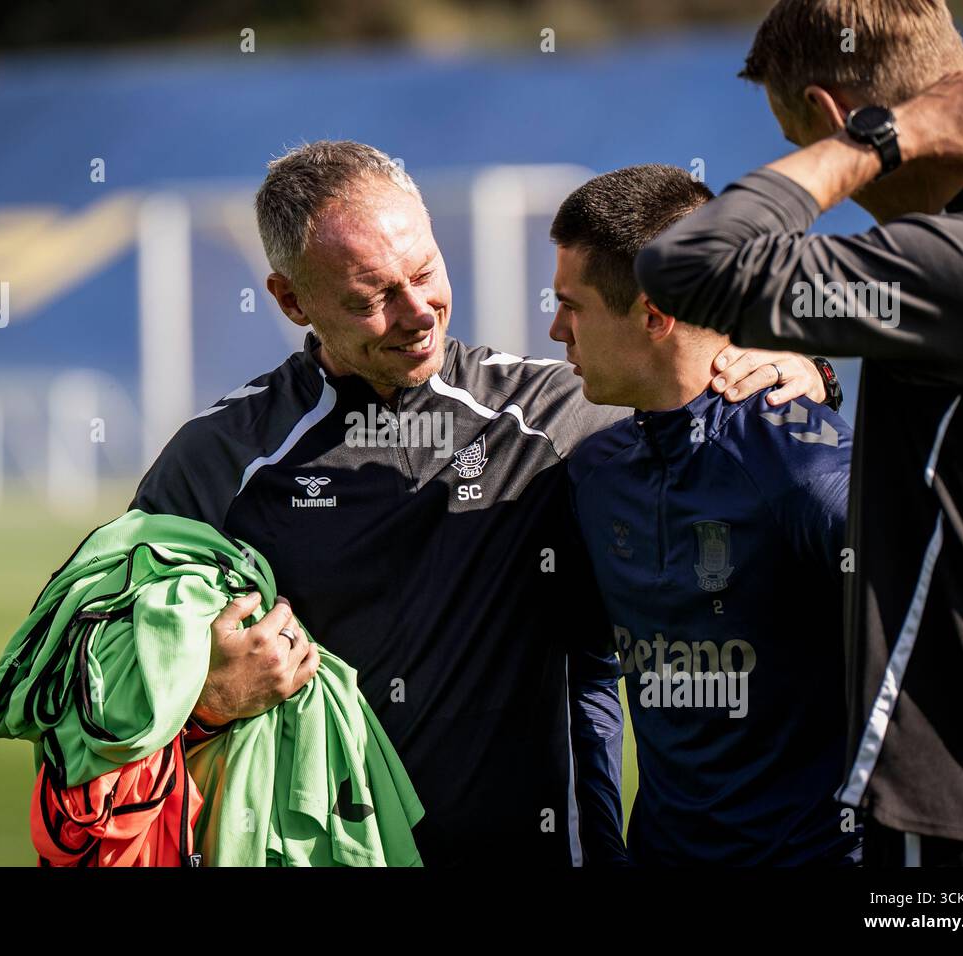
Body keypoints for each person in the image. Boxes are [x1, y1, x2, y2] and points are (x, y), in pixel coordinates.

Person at [133, 140, 834, 866]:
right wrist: (206, 695)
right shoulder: (222, 461)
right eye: (371, 297)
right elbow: (82, 672)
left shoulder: (561, 417)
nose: (417, 313)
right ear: (290, 300)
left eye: (426, 272)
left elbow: (694, 382)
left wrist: (797, 369)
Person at [634, 0, 963, 865]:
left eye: (797, 138)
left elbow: (687, 265)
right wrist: (816, 367)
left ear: (828, 116)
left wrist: (879, 139)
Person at [550, 163, 859, 864]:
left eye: (573, 305)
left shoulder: (800, 465)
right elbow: (592, 671)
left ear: (655, 315)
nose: (554, 328)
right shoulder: (592, 476)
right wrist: (602, 846)